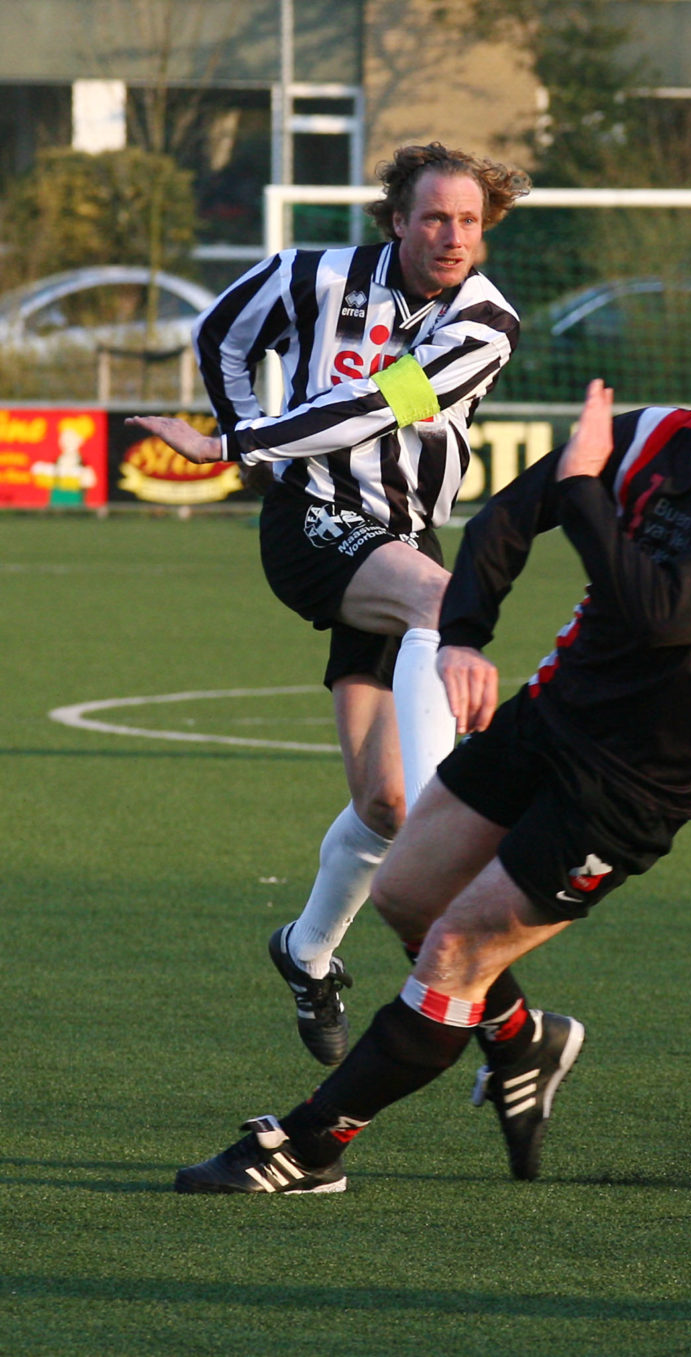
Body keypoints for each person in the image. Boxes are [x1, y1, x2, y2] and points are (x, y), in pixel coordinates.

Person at [173, 299, 691, 1195]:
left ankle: (307, 1145)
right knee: (407, 895)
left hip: (638, 782)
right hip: (549, 718)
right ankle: (525, 1040)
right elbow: (503, 519)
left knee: (453, 955)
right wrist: (464, 636)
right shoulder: (647, 435)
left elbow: (660, 613)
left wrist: (586, 487)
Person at [127, 144, 530, 1068]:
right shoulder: (312, 274)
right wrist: (247, 441)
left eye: (469, 221)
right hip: (310, 523)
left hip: (398, 538)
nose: (453, 236)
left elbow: (374, 407)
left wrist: (234, 441)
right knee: (441, 599)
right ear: (396, 218)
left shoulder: (487, 322)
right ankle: (454, 822)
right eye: (435, 217)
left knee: (380, 802)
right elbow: (226, 332)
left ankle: (306, 952)